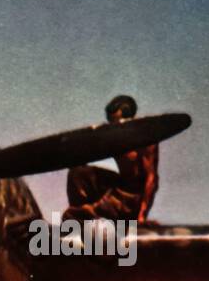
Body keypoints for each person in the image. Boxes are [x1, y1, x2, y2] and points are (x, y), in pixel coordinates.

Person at [64, 94, 160, 224]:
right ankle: (82, 217)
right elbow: (84, 159)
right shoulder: (112, 136)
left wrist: (142, 216)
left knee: (75, 215)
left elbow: (151, 180)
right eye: (111, 122)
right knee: (79, 172)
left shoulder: (145, 140)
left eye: (116, 122)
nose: (113, 126)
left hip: (130, 199)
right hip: (115, 189)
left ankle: (85, 217)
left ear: (129, 119)